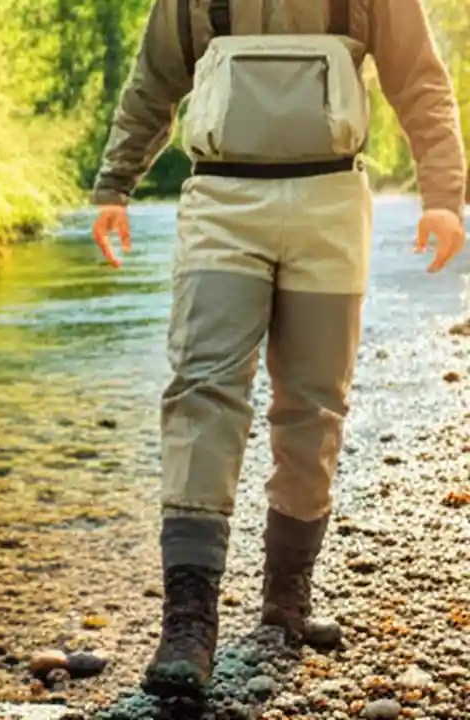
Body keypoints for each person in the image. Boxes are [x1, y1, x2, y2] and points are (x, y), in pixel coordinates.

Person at [90, 0, 465, 698]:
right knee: (202, 390)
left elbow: (418, 75)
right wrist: (116, 183)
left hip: (331, 203)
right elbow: (154, 80)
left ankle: (285, 602)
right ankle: (188, 623)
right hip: (222, 203)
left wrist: (443, 191)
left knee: (315, 403)